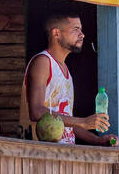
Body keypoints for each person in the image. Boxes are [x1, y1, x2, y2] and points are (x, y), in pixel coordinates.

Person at [19, 14, 113, 145]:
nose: (82, 35)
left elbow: (67, 122)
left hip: (62, 153)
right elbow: (36, 112)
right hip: (40, 154)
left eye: (81, 29)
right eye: (75, 29)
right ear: (56, 33)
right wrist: (83, 122)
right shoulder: (43, 62)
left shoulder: (66, 70)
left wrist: (98, 140)